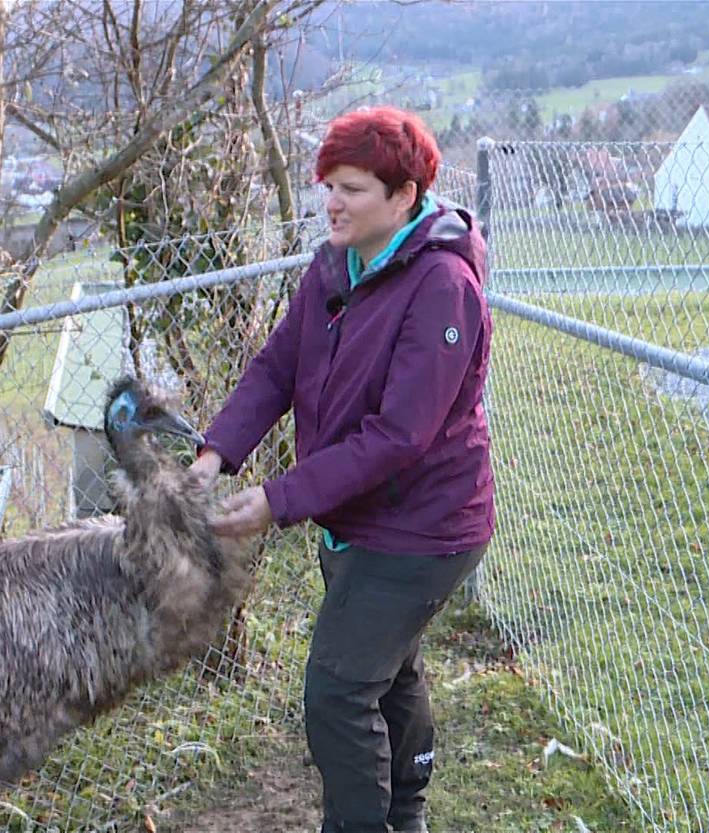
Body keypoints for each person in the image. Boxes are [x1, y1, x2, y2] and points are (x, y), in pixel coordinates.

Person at [192, 106, 495, 833]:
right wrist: (215, 453)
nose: (332, 202)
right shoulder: (336, 262)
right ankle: (405, 812)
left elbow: (399, 434)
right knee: (385, 670)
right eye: (328, 184)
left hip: (424, 526)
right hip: (357, 515)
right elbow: (277, 366)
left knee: (336, 687)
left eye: (352, 188)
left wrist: (279, 499)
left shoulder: (442, 287)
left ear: (404, 196)